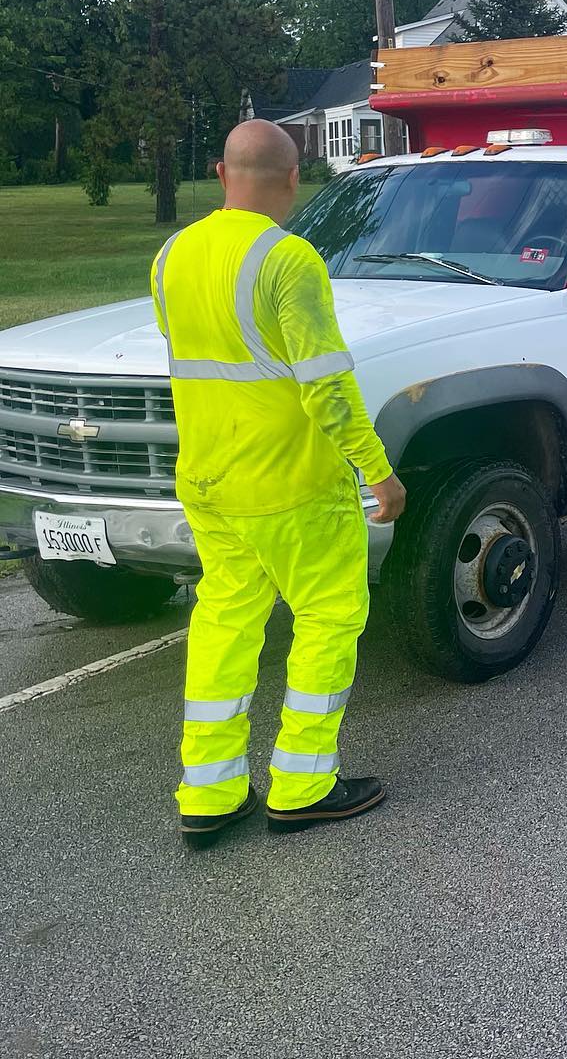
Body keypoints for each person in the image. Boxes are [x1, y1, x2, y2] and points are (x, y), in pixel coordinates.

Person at [151, 121, 406, 849]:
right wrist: (376, 468)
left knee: (226, 621)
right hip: (290, 485)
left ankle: (210, 793)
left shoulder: (172, 255)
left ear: (219, 173)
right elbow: (326, 386)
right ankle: (303, 784)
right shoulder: (288, 260)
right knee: (328, 618)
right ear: (294, 180)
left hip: (208, 479)